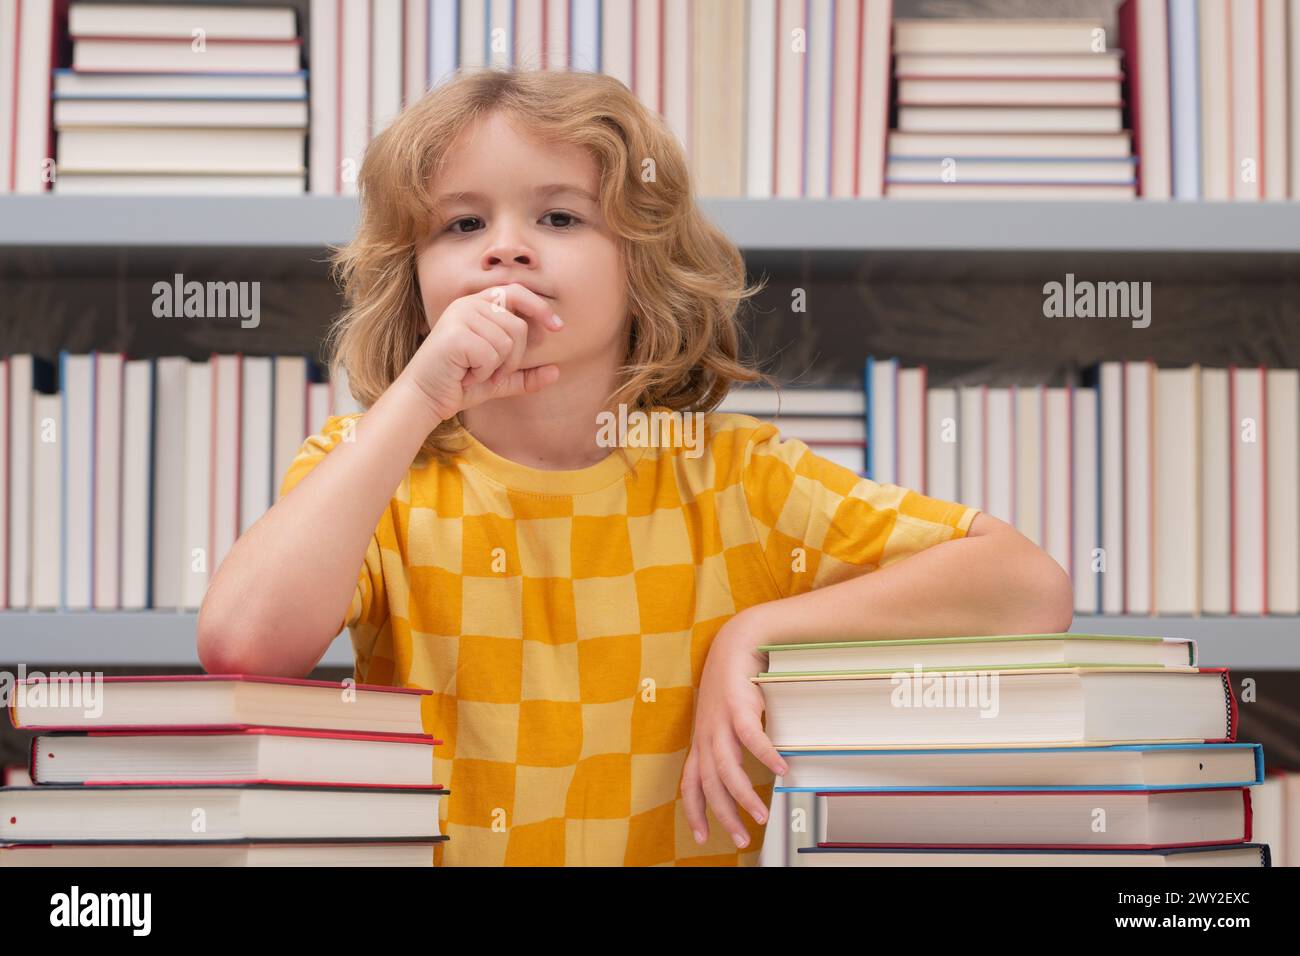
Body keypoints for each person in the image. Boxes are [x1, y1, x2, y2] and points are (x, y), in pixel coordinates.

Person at [197, 67, 1073, 866]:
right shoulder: (376, 470)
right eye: (463, 223)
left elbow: (1027, 587)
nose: (505, 248)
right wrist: (416, 403)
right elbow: (243, 646)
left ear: (642, 267)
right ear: (415, 280)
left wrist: (759, 633)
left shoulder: (737, 479)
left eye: (560, 216)